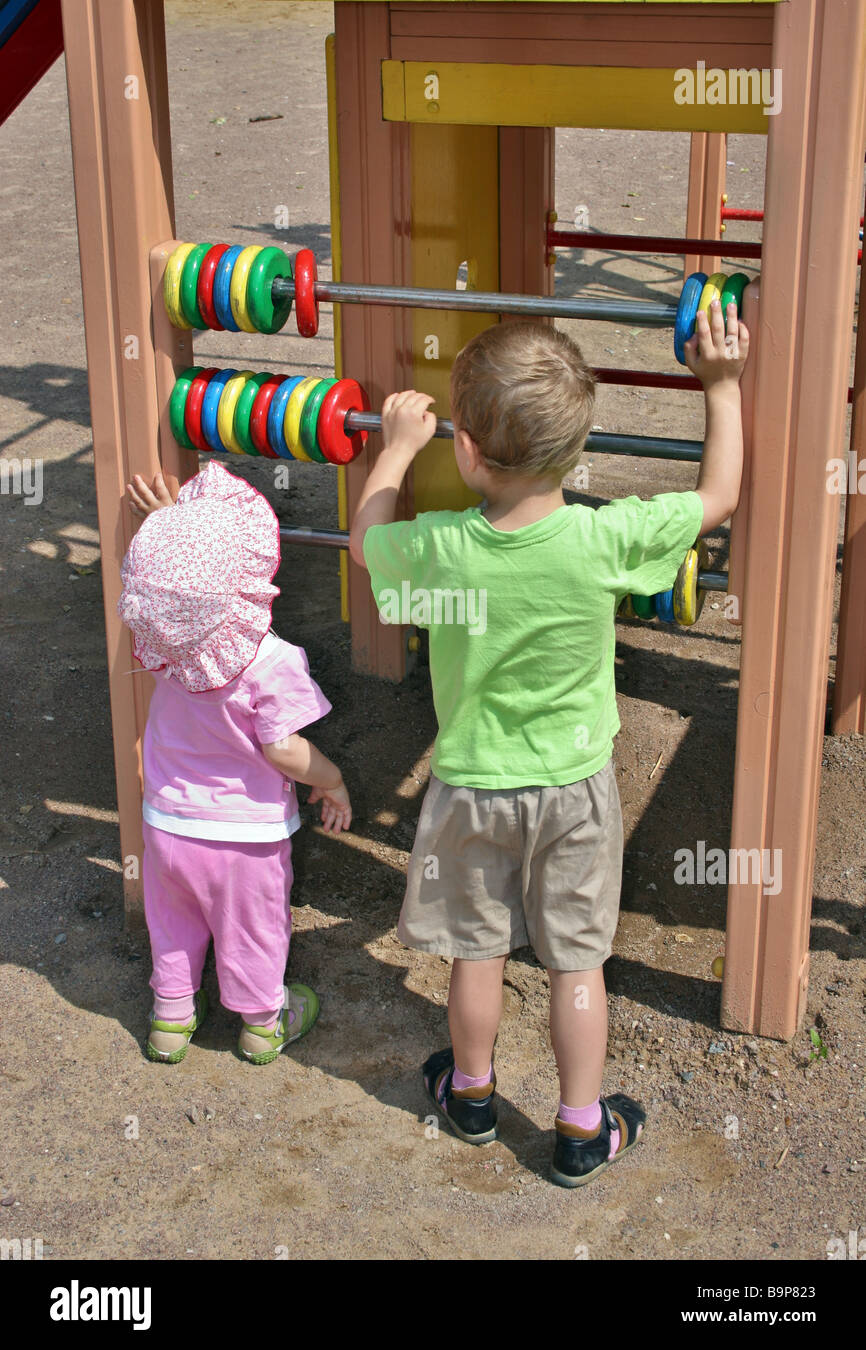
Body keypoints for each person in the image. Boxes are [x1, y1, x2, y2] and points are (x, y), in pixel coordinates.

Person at [349, 299, 748, 1186]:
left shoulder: (444, 549)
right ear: (578, 449)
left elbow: (366, 544)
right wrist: (720, 385)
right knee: (577, 962)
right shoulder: (605, 539)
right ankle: (579, 1128)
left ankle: (472, 1095)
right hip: (575, 791)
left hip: (470, 789)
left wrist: (396, 451)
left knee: (477, 948)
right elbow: (718, 495)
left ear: (467, 451)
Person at [119, 460, 351, 1065]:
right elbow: (284, 750)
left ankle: (171, 1018)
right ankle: (262, 1024)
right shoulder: (272, 662)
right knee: (253, 931)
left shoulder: (167, 643)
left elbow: (178, 591)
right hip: (244, 841)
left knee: (172, 922)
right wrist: (332, 778)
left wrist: (168, 526)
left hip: (167, 826)